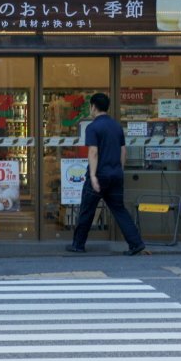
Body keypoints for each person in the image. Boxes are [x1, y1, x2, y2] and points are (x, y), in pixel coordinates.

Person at [66, 93, 147, 256]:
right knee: (119, 209)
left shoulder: (93, 127)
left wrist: (94, 176)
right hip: (116, 174)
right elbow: (123, 151)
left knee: (87, 210)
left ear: (93, 106)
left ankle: (78, 244)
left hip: (100, 175)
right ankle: (136, 243)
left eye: (90, 106)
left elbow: (93, 152)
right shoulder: (116, 126)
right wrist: (119, 170)